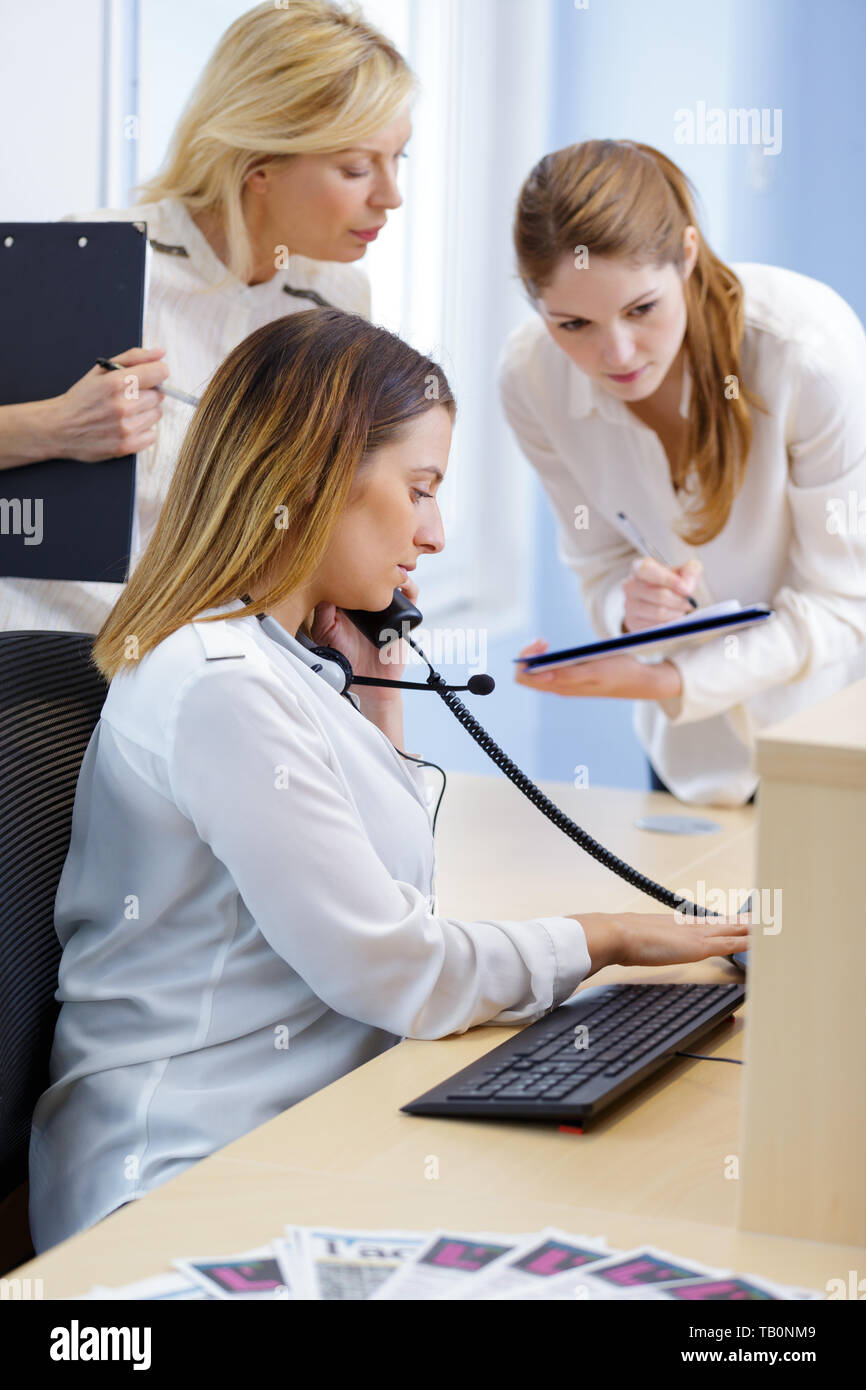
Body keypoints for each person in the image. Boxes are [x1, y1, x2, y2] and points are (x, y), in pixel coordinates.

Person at [27, 310, 748, 1252]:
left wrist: (384, 699)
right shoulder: (219, 687)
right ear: (315, 477)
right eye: (419, 490)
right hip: (179, 1179)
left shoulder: (281, 665)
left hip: (302, 1130)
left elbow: (390, 909)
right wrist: (606, 936)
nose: (437, 533)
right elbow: (398, 970)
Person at [0, 0, 413, 634]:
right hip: (50, 668)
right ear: (260, 166)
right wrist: (53, 428)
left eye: (397, 160)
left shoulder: (339, 301)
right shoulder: (96, 256)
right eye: (357, 168)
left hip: (218, 675)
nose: (390, 196)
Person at [499, 138, 866, 806]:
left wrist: (669, 681)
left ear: (689, 255)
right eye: (573, 323)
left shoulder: (807, 353)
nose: (616, 354)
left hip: (831, 741)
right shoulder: (531, 380)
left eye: (642, 309)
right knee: (691, 903)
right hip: (688, 759)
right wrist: (629, 610)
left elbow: (845, 603)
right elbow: (601, 566)